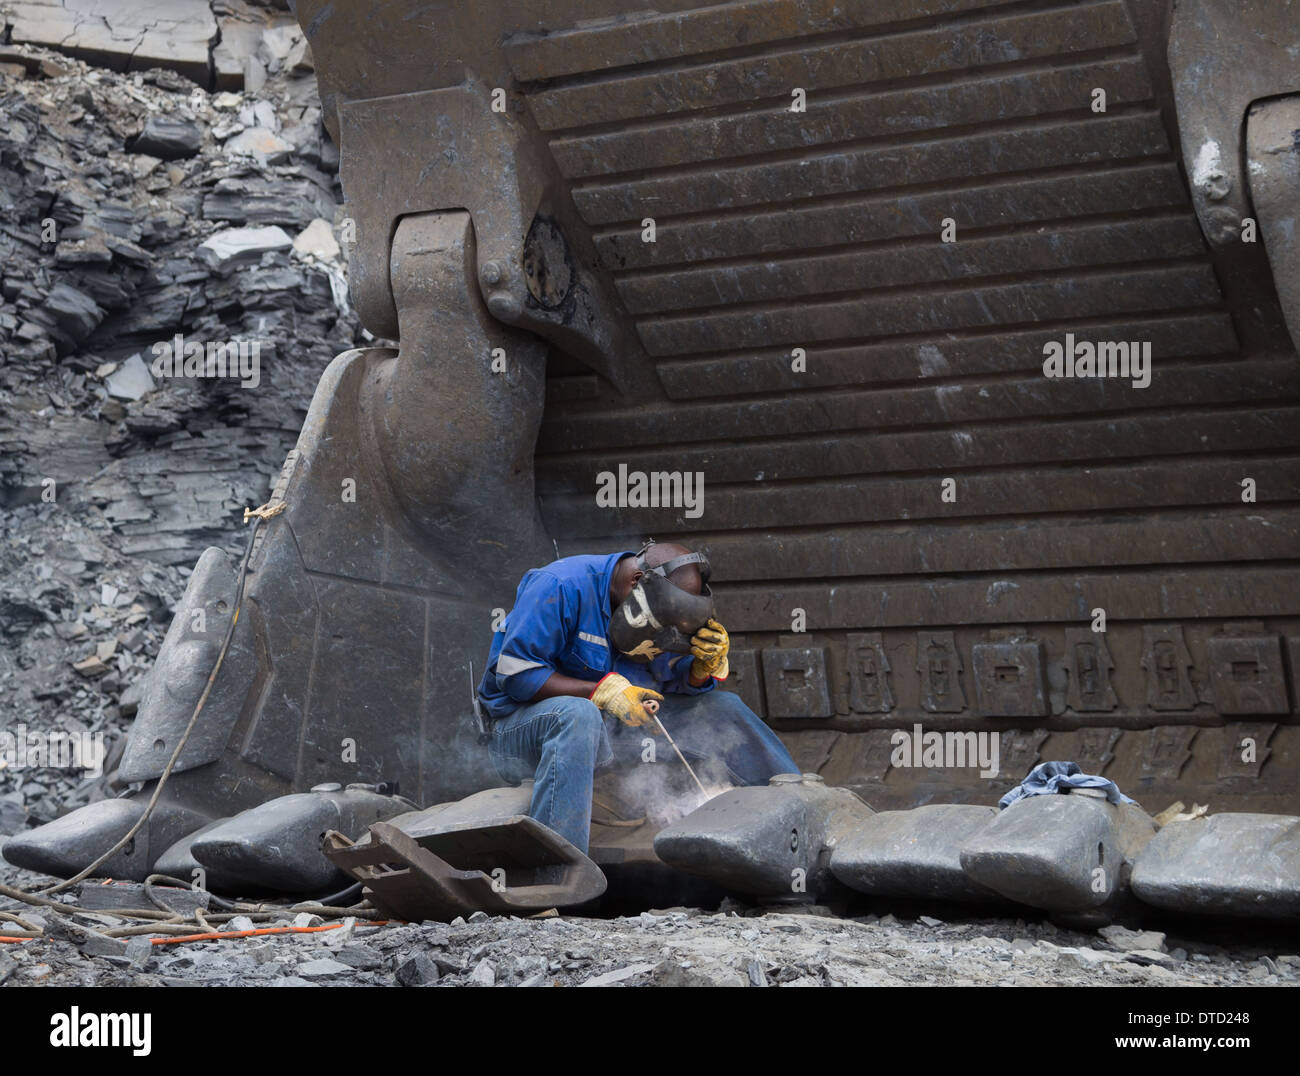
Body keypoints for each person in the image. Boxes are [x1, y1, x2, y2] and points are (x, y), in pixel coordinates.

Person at [476, 541, 798, 853]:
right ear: (637, 582)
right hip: (522, 733)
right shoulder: (560, 584)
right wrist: (598, 691)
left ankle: (800, 809)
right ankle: (559, 871)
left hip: (613, 731)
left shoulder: (651, 611)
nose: (660, 635)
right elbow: (514, 674)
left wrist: (700, 668)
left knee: (723, 708)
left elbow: (668, 682)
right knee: (579, 714)